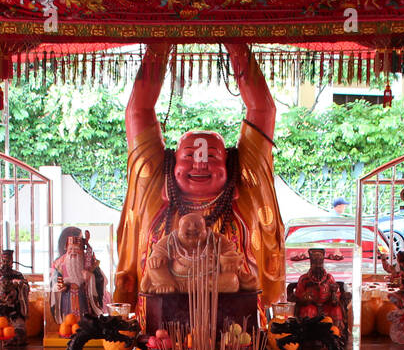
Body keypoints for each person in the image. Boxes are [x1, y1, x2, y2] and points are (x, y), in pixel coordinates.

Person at [114, 42, 282, 318]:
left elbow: (263, 111)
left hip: (233, 324)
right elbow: (137, 112)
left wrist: (236, 45)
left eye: (212, 158)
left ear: (230, 162)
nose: (199, 164)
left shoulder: (246, 184)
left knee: (230, 283)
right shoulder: (154, 183)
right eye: (189, 156)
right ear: (171, 161)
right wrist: (159, 47)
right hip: (164, 321)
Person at [143, 212, 256, 295]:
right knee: (153, 265)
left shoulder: (217, 239)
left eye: (197, 224)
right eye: (187, 225)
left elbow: (230, 253)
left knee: (232, 280)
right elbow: (157, 254)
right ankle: (165, 284)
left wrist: (229, 260)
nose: (192, 227)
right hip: (176, 281)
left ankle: (185, 288)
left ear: (206, 229)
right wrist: (156, 259)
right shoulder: (169, 241)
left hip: (208, 281)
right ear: (178, 230)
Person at [51, 227, 104, 319]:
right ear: (66, 249)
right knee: (69, 321)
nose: (73, 252)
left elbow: (100, 280)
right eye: (70, 249)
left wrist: (90, 277)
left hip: (85, 298)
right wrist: (59, 286)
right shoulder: (59, 264)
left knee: (85, 318)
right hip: (67, 298)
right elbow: (54, 283)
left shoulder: (90, 262)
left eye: (77, 249)